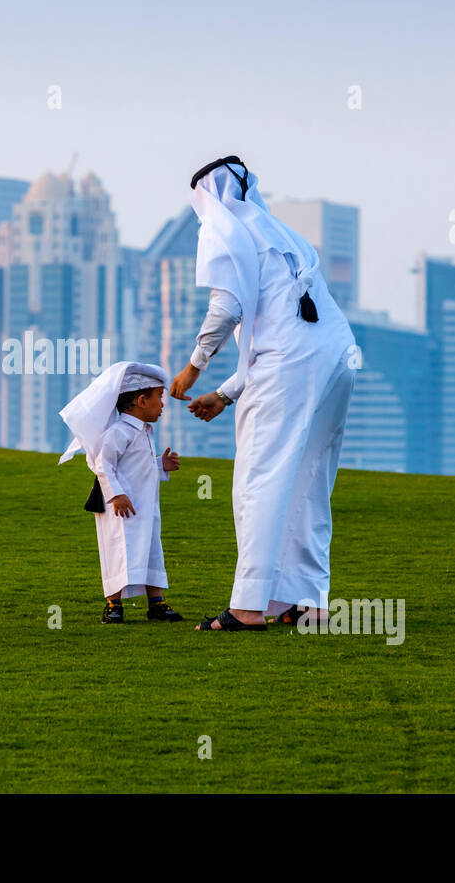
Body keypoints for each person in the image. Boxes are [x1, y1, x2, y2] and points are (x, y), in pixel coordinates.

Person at [170, 156, 355, 632]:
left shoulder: (224, 231)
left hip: (292, 365)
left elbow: (228, 307)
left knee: (258, 480)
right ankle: (307, 602)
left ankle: (248, 606)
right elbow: (289, 332)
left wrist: (194, 367)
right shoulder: (281, 234)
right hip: (338, 357)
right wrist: (226, 393)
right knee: (309, 479)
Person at [59, 362, 184, 624]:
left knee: (152, 550)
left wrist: (161, 465)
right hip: (120, 508)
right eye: (159, 397)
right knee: (117, 550)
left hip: (144, 507)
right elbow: (103, 464)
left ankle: (156, 603)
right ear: (141, 401)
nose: (162, 404)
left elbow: (138, 467)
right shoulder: (118, 433)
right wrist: (115, 495)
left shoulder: (143, 432)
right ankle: (113, 605)